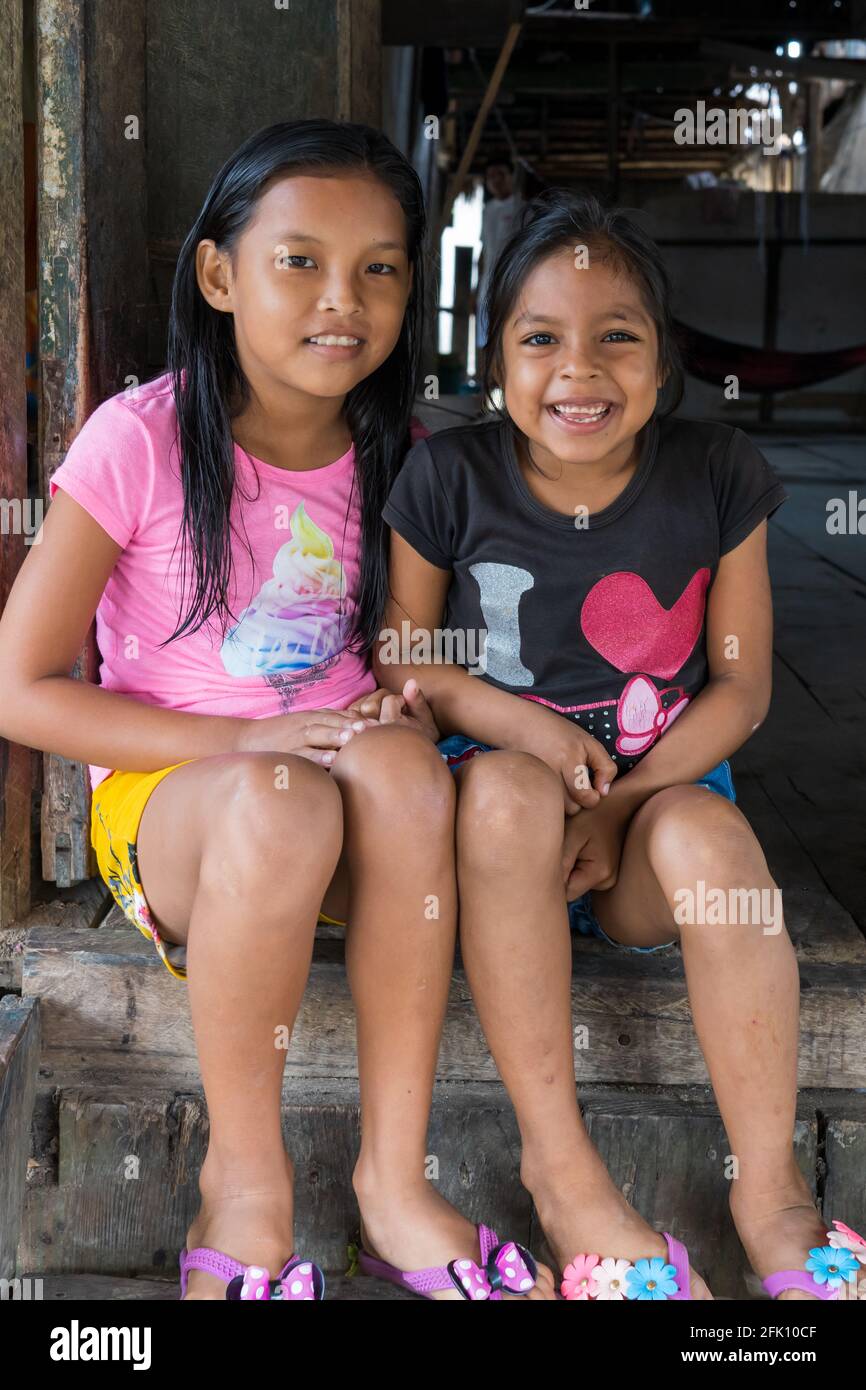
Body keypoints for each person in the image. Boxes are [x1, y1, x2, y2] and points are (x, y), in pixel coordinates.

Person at [0, 120, 556, 1302]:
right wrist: (242, 738)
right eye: (298, 260)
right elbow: (20, 689)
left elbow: (413, 656)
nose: (340, 299)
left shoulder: (406, 458)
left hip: (358, 810)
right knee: (280, 796)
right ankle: (244, 1189)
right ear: (219, 275)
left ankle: (391, 1185)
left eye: (380, 268)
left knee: (408, 771)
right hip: (191, 816)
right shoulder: (139, 440)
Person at [377, 188, 866, 1301]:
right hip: (501, 843)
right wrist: (528, 730)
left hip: (647, 809)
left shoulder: (713, 476)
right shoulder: (449, 476)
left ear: (664, 357)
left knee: (716, 849)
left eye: (616, 338)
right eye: (539, 338)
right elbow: (403, 653)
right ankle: (560, 1171)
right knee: (503, 792)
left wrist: (615, 803)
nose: (576, 370)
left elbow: (740, 687)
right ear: (492, 355)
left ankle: (769, 1191)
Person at [474, 153, 524, 368]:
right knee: (486, 333)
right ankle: (484, 387)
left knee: (511, 331)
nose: (495, 180)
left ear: (512, 176)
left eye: (501, 174)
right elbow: (484, 249)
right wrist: (476, 287)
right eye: (490, 176)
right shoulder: (488, 209)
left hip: (514, 281)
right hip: (488, 282)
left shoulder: (522, 208)